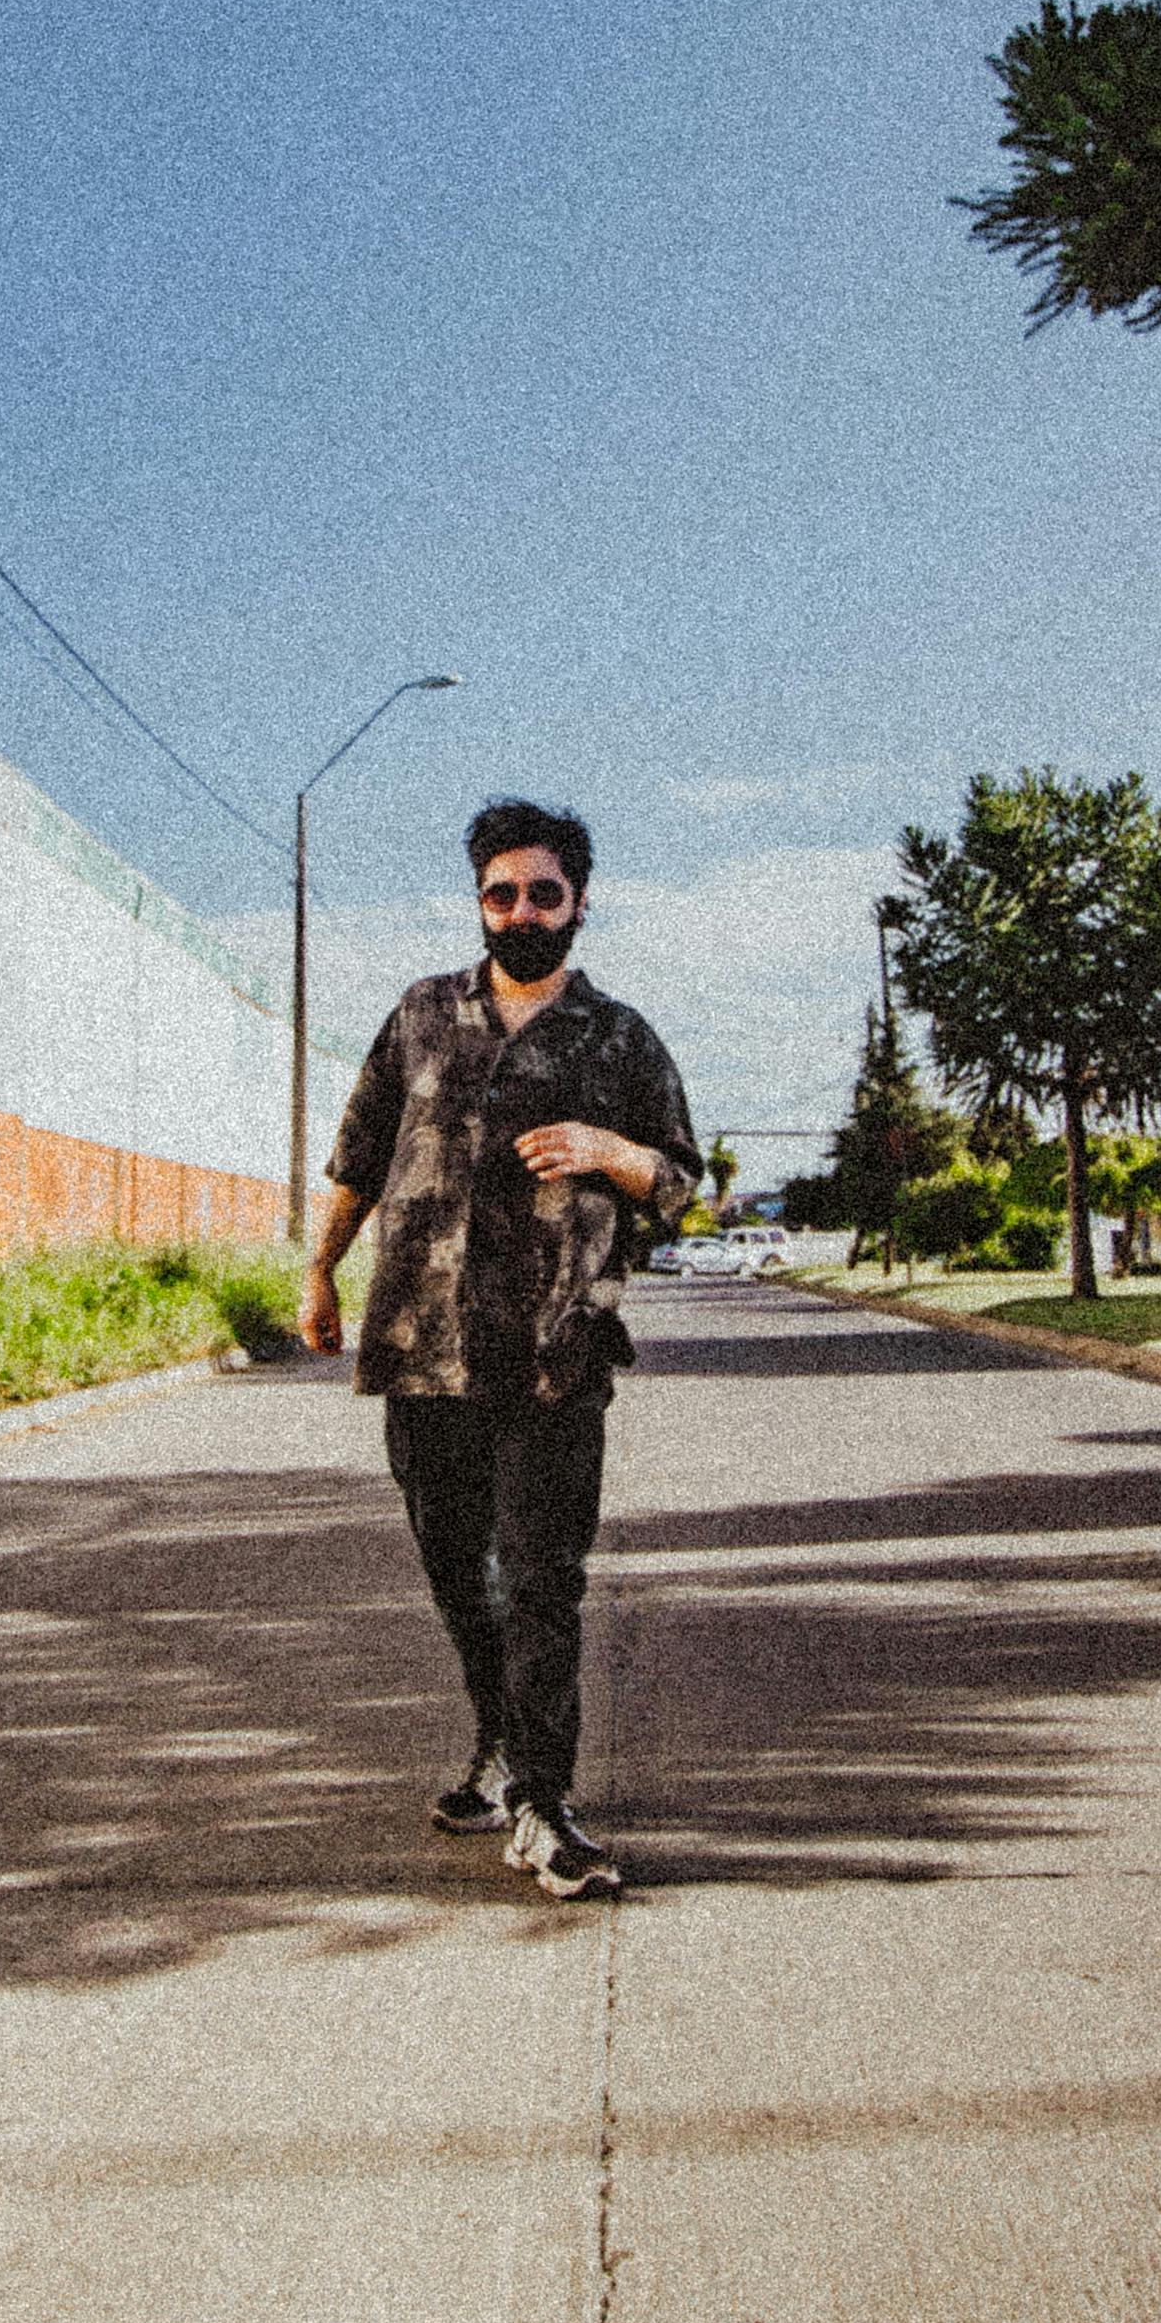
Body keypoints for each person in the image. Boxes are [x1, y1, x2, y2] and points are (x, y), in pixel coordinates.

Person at [301, 799, 700, 1898]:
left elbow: (678, 1182)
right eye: (501, 892)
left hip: (553, 1350)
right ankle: (498, 1743)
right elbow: (358, 1154)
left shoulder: (620, 1038)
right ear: (479, 901)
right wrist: (320, 1269)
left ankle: (543, 1801)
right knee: (457, 1574)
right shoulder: (422, 1013)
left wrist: (608, 1147)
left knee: (539, 1579)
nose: (521, 910)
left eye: (542, 892)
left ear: (578, 902)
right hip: (423, 1348)